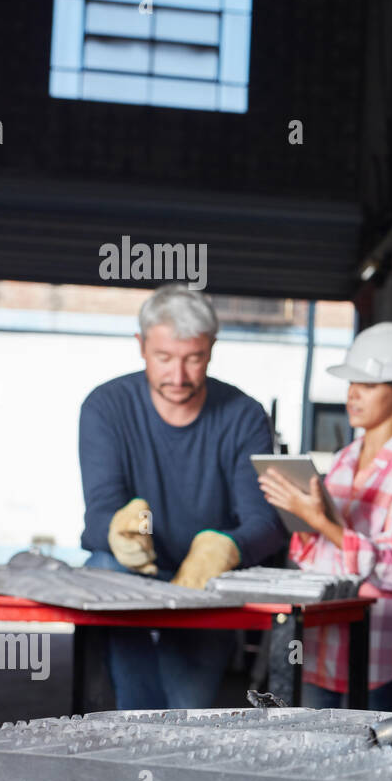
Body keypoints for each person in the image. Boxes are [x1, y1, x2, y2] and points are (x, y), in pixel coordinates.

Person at [79, 283, 288, 709]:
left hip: (205, 584)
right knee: (104, 566)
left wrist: (228, 546)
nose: (178, 376)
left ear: (211, 348)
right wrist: (118, 532)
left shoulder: (244, 415)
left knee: (187, 714)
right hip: (133, 578)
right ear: (140, 346)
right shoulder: (105, 407)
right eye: (164, 358)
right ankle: (131, 721)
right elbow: (99, 514)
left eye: (193, 359)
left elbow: (265, 524)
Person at [259, 322, 392, 712]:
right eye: (351, 384)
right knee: (314, 760)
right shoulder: (343, 461)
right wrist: (302, 520)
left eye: (368, 385)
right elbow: (317, 559)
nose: (353, 395)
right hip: (323, 647)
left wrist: (323, 523)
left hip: (383, 655)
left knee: (378, 769)